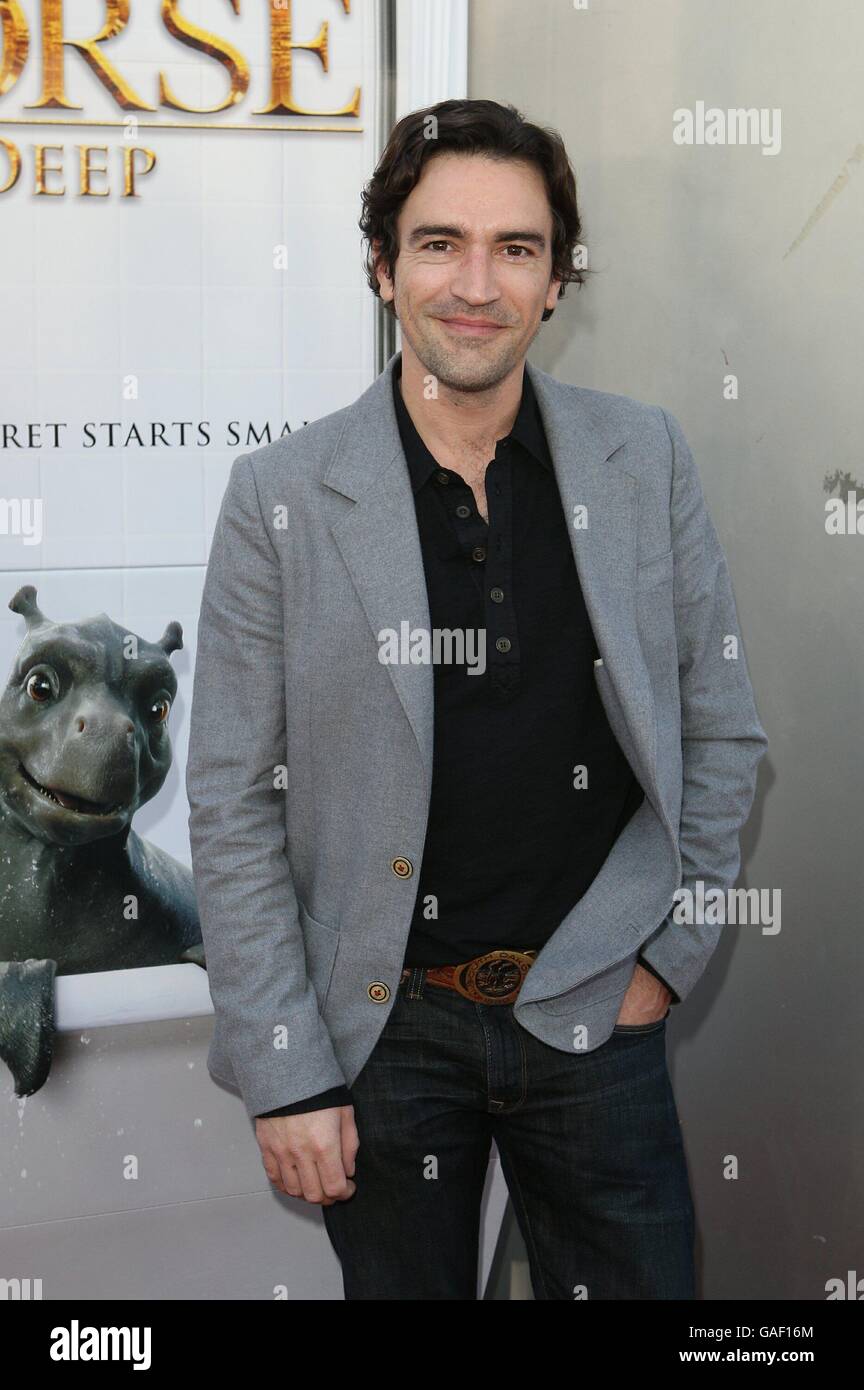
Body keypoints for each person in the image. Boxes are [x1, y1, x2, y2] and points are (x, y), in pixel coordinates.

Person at [186, 98, 768, 1300]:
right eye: (441, 242)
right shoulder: (280, 495)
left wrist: (667, 953)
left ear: (556, 280)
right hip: (384, 1031)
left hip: (598, 1006)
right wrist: (287, 1067)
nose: (478, 283)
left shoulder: (644, 458)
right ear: (382, 265)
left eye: (518, 248)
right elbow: (233, 800)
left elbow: (721, 730)